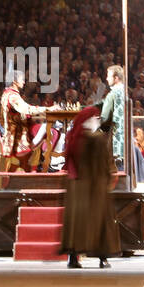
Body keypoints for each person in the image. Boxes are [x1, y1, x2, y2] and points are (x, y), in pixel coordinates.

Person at [61, 106, 120, 269]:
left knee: (76, 224)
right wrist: (109, 178)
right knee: (100, 223)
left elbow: (69, 162)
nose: (98, 120)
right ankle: (103, 258)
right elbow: (105, 164)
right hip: (96, 187)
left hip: (76, 187)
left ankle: (73, 258)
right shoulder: (98, 139)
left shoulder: (73, 137)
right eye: (96, 118)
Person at [0, 69, 46, 171]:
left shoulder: (9, 93)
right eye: (22, 80)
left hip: (17, 130)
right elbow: (27, 109)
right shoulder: (12, 96)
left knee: (41, 129)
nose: (24, 82)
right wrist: (47, 109)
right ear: (14, 81)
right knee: (44, 129)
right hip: (17, 135)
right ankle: (34, 169)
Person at [100, 65, 126, 170]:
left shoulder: (113, 94)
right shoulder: (125, 91)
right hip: (124, 140)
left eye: (108, 76)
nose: (106, 78)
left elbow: (104, 117)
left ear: (116, 78)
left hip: (114, 141)